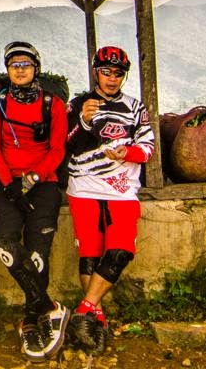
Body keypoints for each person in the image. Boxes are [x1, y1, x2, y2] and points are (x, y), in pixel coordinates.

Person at [65, 46, 155, 353]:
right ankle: (95, 318)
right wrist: (86, 123)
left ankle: (84, 309)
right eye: (106, 72)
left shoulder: (135, 107)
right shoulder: (77, 104)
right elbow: (67, 144)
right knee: (90, 253)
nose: (112, 79)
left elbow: (148, 146)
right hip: (84, 187)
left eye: (118, 74)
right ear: (95, 72)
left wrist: (127, 153)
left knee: (120, 251)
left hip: (122, 190)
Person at [0, 40, 70, 361]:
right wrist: (10, 185)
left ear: (36, 67)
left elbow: (58, 150)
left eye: (25, 64)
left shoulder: (53, 104)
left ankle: (31, 321)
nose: (19, 70)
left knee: (37, 256)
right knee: (7, 247)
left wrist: (32, 179)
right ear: (7, 70)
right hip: (9, 187)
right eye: (13, 65)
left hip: (43, 186)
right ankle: (50, 307)